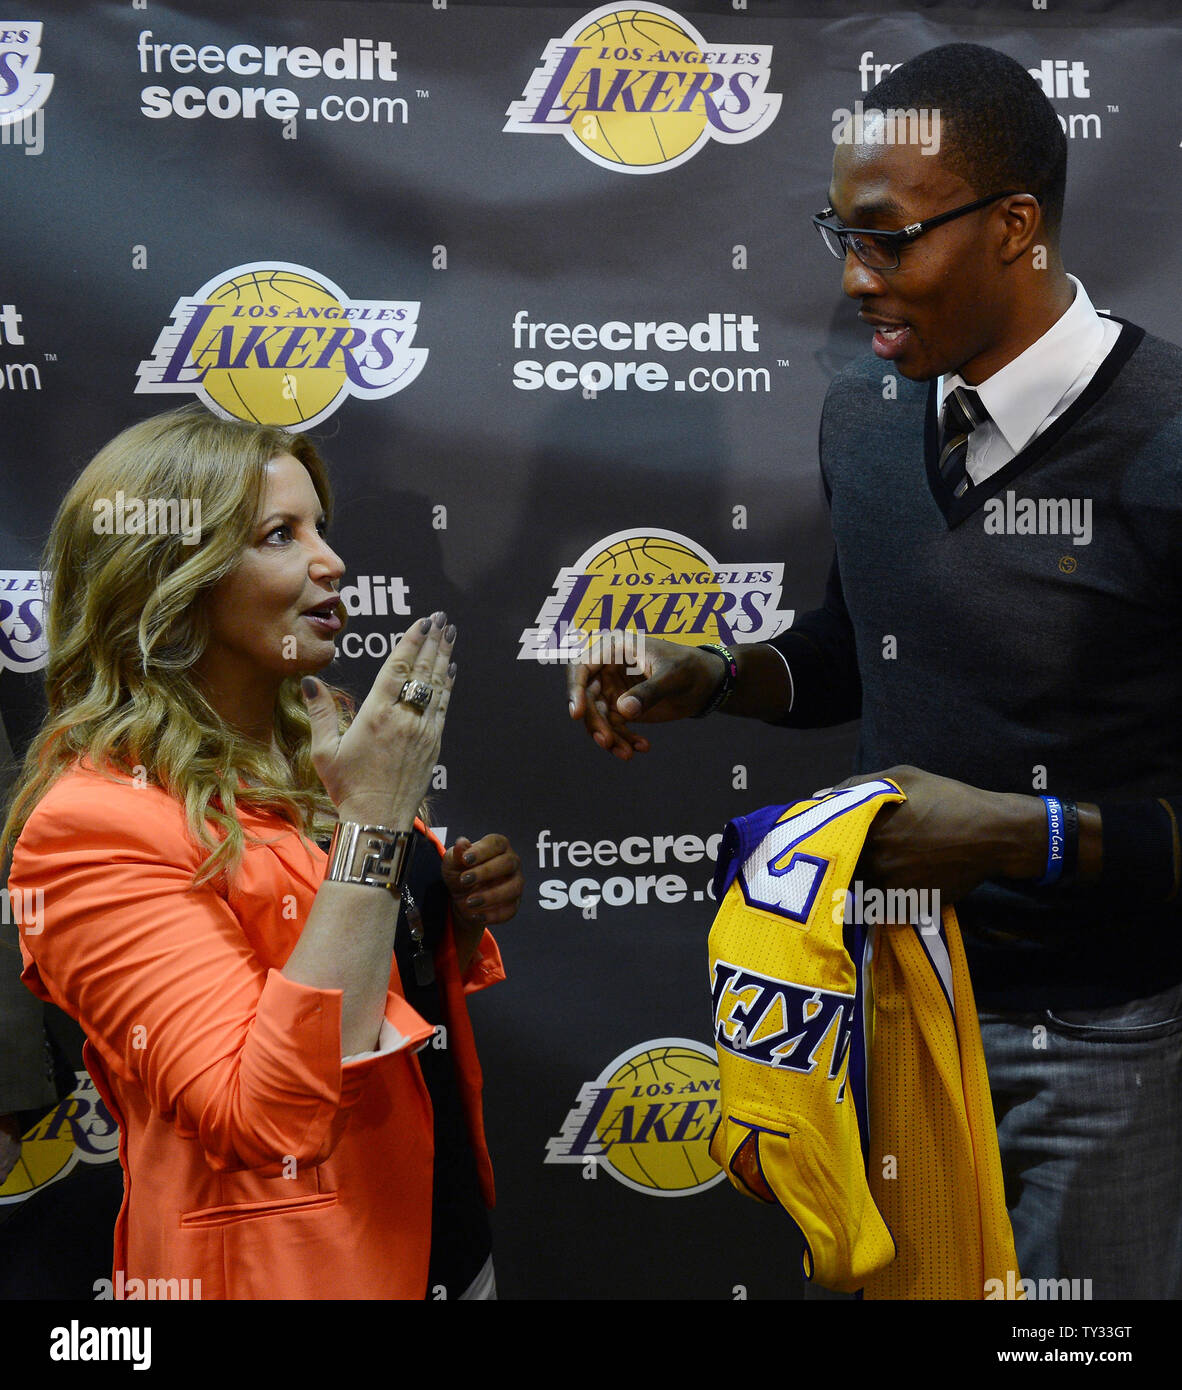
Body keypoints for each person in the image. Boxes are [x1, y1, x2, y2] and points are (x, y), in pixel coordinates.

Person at [567, 43, 1182, 1299]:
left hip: (1095, 1045)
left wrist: (1026, 836)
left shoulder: (1170, 439)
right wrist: (721, 672)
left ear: (1016, 227)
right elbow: (857, 649)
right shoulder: (866, 405)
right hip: (874, 1011)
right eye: (839, 234)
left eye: (891, 239)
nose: (855, 279)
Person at [2, 405, 523, 1300]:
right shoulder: (91, 824)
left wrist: (452, 904)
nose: (332, 562)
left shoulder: (308, 745)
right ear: (170, 578)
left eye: (321, 527)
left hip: (440, 1240)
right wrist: (377, 826)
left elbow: (362, 966)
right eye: (281, 535)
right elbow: (264, 1110)